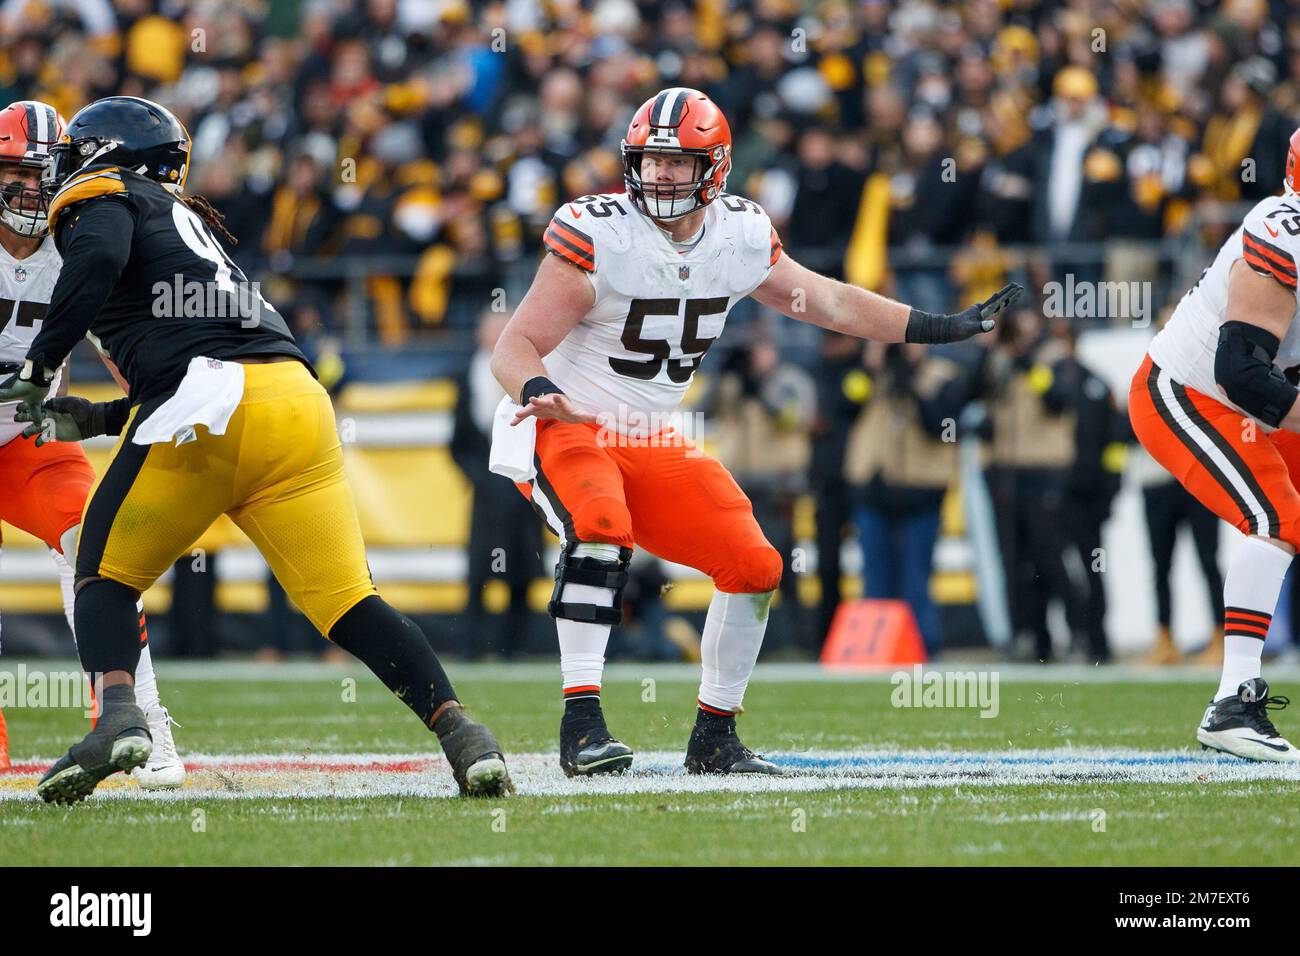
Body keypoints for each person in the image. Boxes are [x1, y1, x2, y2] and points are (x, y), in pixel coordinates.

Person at [489, 87, 1020, 776]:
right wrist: (540, 392)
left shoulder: (738, 236)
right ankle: (581, 725)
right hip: (567, 421)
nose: (660, 176)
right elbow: (514, 345)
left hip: (648, 435)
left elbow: (829, 300)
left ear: (716, 168)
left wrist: (937, 327)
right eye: (650, 161)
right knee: (598, 523)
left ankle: (715, 737)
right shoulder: (598, 233)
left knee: (756, 564)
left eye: (678, 163)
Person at [0, 95, 512, 802]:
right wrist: (95, 418)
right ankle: (462, 732)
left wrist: (35, 367)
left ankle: (120, 718)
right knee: (351, 603)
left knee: (104, 579)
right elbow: (187, 363)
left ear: (104, 155)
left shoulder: (106, 198)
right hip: (294, 405)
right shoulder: (183, 223)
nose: (57, 176)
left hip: (209, 410)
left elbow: (104, 267)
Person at [0, 100, 182, 787]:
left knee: (96, 546)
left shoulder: (81, 240)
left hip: (30, 436)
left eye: (43, 175)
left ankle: (141, 720)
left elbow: (132, 364)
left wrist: (113, 411)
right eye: (15, 175)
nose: (31, 191)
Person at [1127, 124, 1300, 761]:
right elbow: (1241, 371)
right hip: (1188, 394)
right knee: (1278, 516)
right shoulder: (1284, 228)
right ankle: (1234, 703)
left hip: (1257, 403)